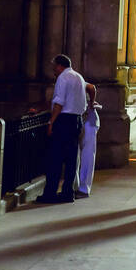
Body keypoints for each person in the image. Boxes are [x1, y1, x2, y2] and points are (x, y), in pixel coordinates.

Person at [38, 55, 87, 204]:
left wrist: (51, 122)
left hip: (64, 121)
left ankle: (50, 193)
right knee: (71, 160)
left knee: (55, 159)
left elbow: (59, 102)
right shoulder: (79, 77)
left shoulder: (63, 78)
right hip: (77, 120)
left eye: (54, 66)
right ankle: (68, 193)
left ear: (60, 65)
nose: (53, 69)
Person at [77, 83, 101, 197]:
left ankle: (84, 189)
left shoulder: (74, 79)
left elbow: (91, 87)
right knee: (81, 156)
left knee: (87, 156)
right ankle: (77, 186)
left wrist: (91, 103)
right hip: (82, 122)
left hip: (89, 121)